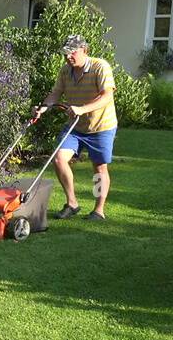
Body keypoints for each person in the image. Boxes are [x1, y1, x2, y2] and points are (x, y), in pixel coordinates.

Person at [32, 34, 117, 220]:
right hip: (75, 127)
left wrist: (82, 109)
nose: (68, 57)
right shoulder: (65, 71)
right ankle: (72, 203)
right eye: (65, 53)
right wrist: (42, 109)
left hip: (101, 126)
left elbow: (107, 96)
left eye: (73, 52)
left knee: (99, 168)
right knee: (59, 159)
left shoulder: (100, 67)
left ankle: (98, 210)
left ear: (84, 50)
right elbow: (55, 93)